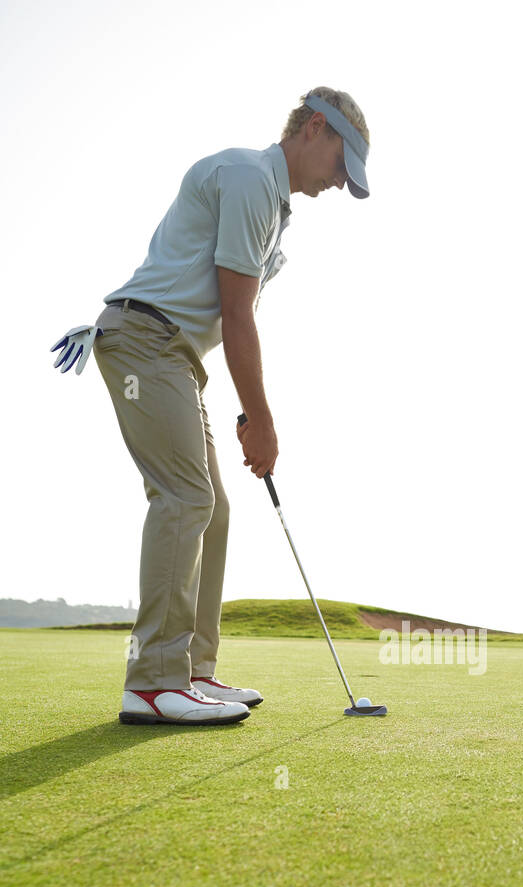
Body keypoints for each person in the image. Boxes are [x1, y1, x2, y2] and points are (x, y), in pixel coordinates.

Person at [85, 87, 370, 726]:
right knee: (186, 500)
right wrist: (263, 421)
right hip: (143, 342)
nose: (339, 180)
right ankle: (153, 684)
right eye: (341, 161)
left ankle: (191, 672)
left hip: (175, 357)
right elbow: (237, 315)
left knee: (211, 509)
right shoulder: (246, 177)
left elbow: (228, 319)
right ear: (315, 128)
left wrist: (247, 413)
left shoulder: (272, 204)